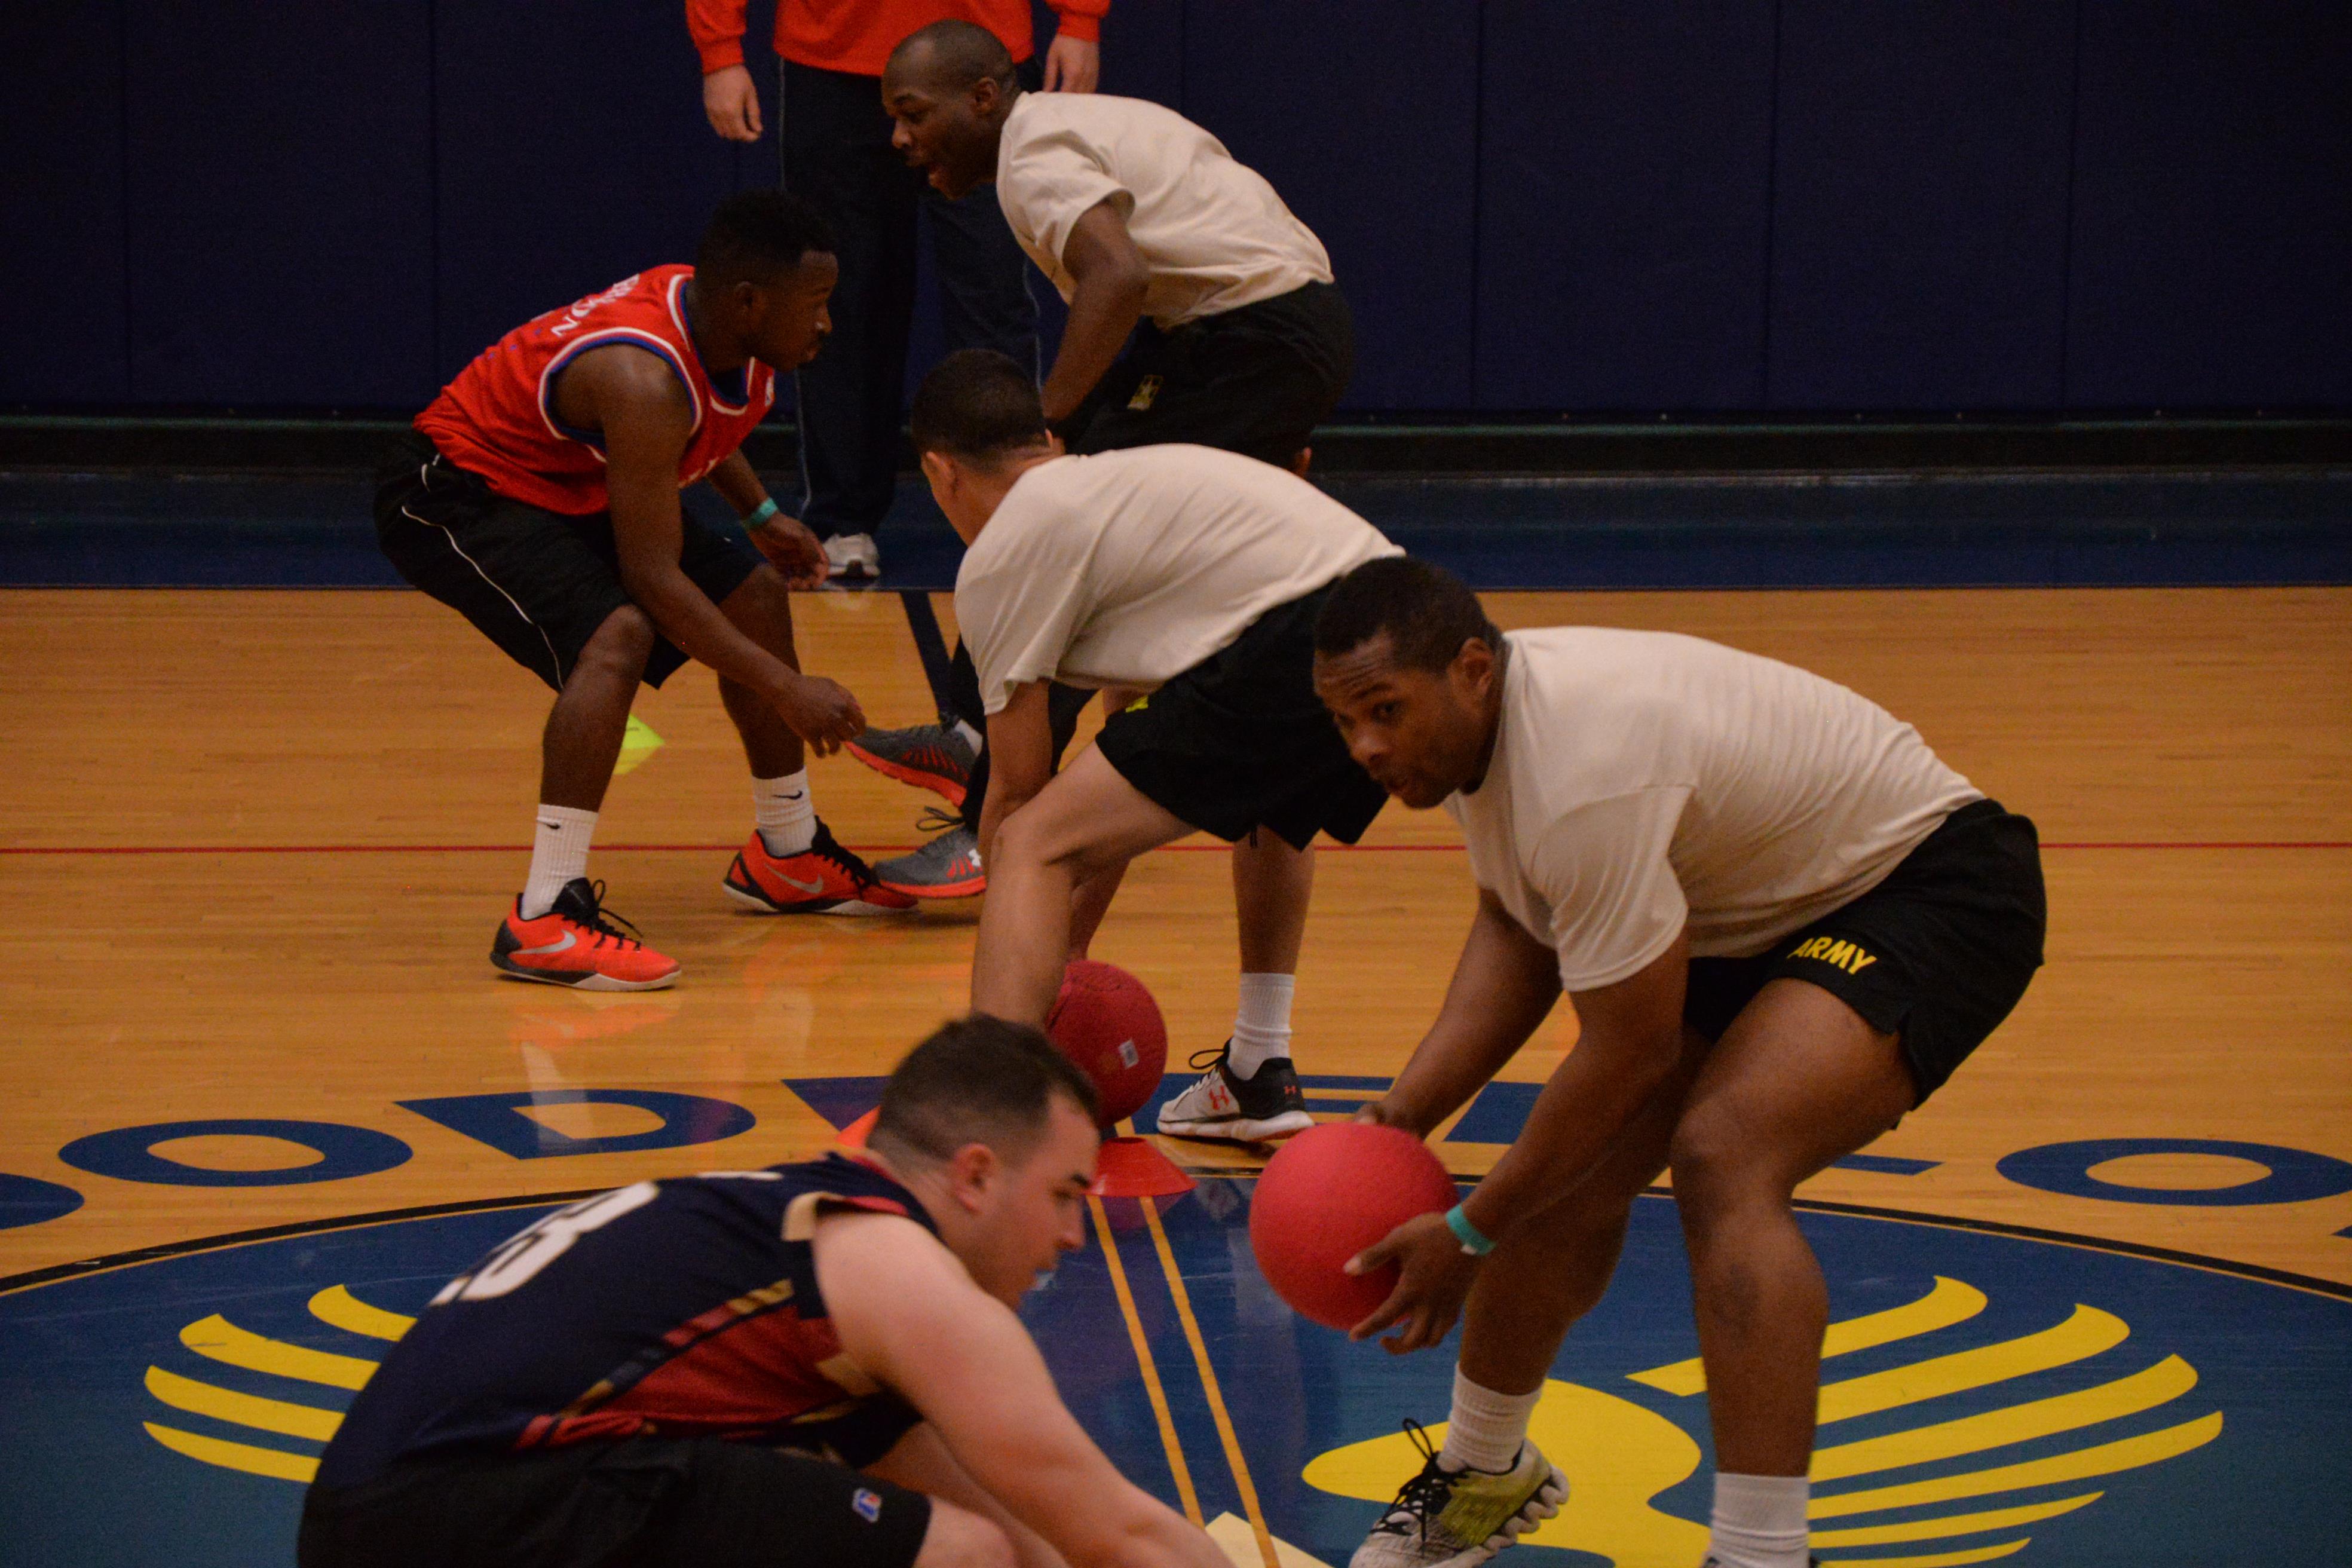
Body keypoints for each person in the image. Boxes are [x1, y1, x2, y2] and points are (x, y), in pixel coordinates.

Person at [1307, 559, 2047, 1568]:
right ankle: (1482, 1473)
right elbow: (1519, 928)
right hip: (1746, 905)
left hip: (1923, 883)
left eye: (1385, 710)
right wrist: (1398, 1117)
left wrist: (1473, 1231)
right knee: (1557, 1178)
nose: (1366, 747)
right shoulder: (1483, 735)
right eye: (1346, 722)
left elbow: (1633, 1048)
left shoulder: (1581, 769)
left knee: (1724, 1153)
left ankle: (1760, 1553)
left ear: (1472, 669)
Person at [298, 1015, 1235, 1568]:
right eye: (1064, 1195)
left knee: (900, 1523)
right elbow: (1118, 1534)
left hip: (388, 1519)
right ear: (977, 1175)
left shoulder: (811, 1247)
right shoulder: (900, 1272)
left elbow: (1031, 1539)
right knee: (954, 1555)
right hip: (458, 1512)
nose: (1073, 1237)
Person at [857, 17, 1353, 901]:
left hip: (1254, 340)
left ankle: (989, 822)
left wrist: (1049, 420)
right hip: (1241, 332)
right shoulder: (1063, 126)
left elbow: (1116, 277)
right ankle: (972, 734)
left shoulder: (1031, 155)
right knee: (1072, 503)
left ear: (984, 98)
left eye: (913, 112)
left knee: (1064, 527)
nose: (899, 137)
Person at [376, 191, 910, 994]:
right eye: (816, 304)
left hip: (564, 479)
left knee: (756, 597)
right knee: (617, 635)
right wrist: (787, 687)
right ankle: (545, 917)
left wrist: (760, 515)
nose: (827, 323)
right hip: (457, 488)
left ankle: (788, 853)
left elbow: (697, 422)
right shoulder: (640, 377)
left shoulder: (720, 325)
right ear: (750, 302)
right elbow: (654, 576)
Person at [917, 349, 1399, 1143]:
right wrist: (1067, 943)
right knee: (1271, 801)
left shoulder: (1005, 551)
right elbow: (1129, 749)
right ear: (1046, 440)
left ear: (942, 473)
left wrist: (1019, 943)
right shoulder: (1120, 489)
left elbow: (1019, 792)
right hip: (1392, 619)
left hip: (1292, 631)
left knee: (1029, 841)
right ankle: (1260, 1067)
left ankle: (990, 1119)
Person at [690, 0, 1107, 583]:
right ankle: (843, 519)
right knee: (837, 304)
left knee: (992, 302)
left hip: (978, 56)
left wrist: (1080, 19)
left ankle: (1016, 515)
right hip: (831, 63)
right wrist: (720, 50)